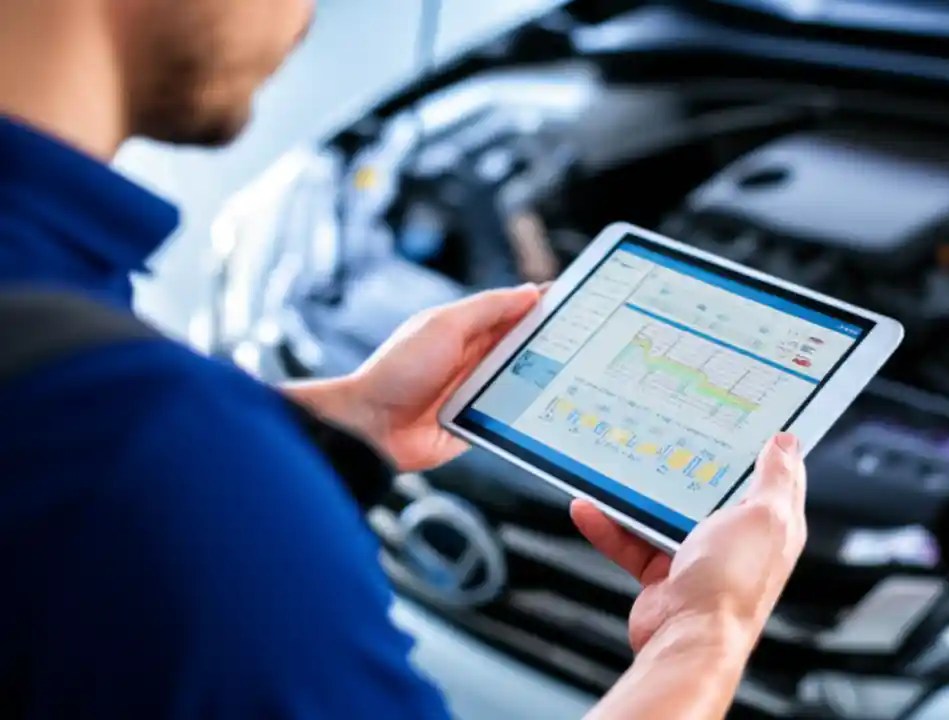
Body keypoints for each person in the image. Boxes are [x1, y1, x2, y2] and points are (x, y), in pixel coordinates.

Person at [0, 1, 809, 719]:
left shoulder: (84, 381)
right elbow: (130, 481)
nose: (310, 18)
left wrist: (345, 419)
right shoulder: (147, 455)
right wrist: (705, 636)